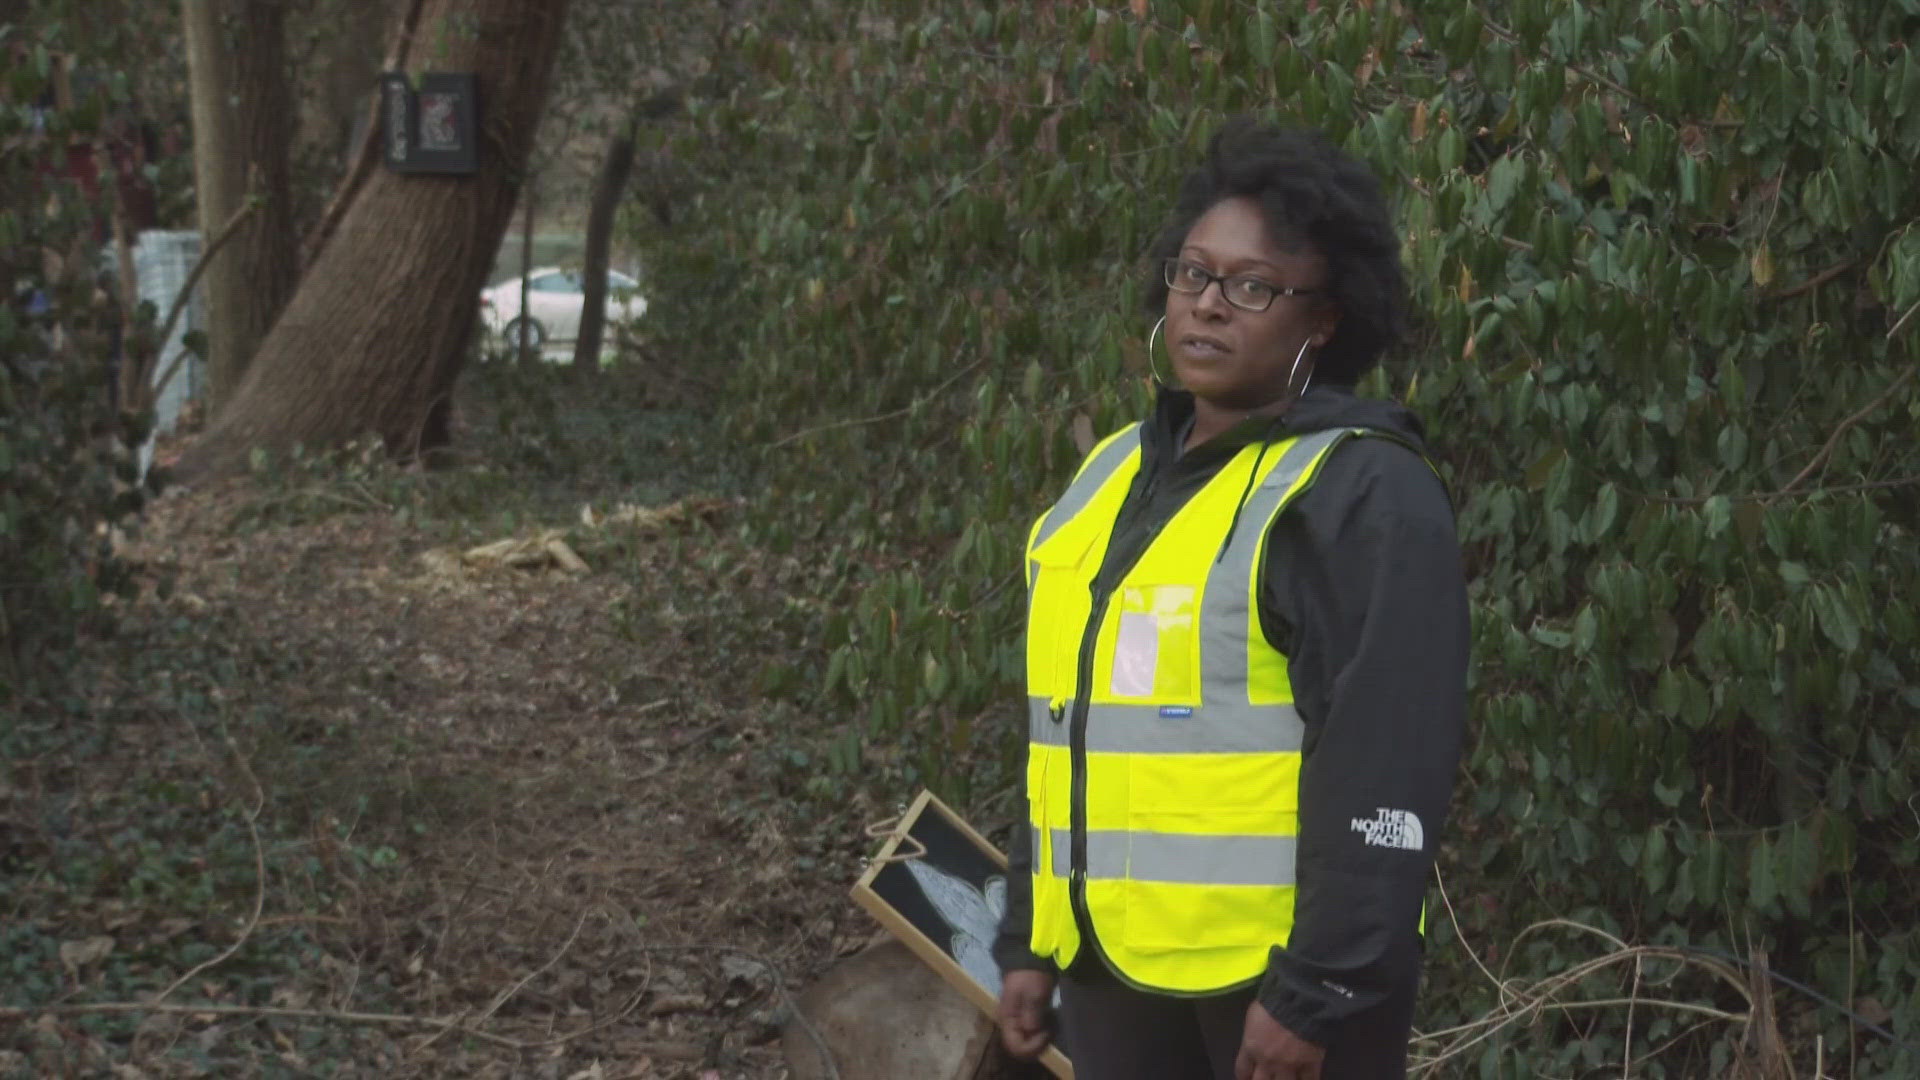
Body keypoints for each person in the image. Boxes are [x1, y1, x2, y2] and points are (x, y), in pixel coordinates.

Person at [992, 119, 1468, 1080]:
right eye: (1191, 273)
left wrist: (1316, 993)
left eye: (1252, 287)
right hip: (1113, 977)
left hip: (1275, 999)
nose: (1208, 306)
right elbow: (1071, 731)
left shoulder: (1361, 493)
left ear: (1325, 319)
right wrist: (1030, 939)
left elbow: (1388, 764)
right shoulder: (1110, 475)